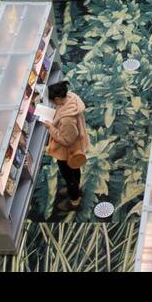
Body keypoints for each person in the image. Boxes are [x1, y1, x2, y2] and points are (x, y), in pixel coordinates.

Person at [45, 80, 91, 213]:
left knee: (69, 174)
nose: (54, 104)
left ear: (58, 99)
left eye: (53, 101)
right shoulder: (71, 97)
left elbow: (66, 140)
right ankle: (76, 187)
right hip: (76, 145)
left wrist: (50, 128)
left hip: (69, 151)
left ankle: (74, 200)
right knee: (75, 170)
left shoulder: (68, 120)